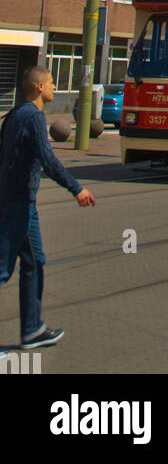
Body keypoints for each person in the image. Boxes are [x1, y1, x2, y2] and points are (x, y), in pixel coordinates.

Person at [0, 67, 96, 349]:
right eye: (53, 83)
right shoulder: (33, 117)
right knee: (3, 269)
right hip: (16, 203)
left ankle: (31, 330)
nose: (56, 87)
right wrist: (77, 188)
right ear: (40, 87)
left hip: (20, 201)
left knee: (35, 260)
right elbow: (48, 160)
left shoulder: (15, 114)